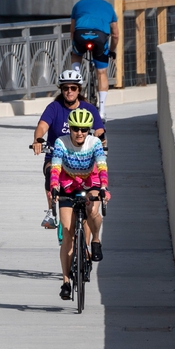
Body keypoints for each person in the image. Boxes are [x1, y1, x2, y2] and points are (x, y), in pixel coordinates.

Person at [48, 108, 109, 301]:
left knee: (92, 210)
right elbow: (56, 167)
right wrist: (54, 186)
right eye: (76, 128)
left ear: (89, 129)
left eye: (84, 128)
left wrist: (104, 187)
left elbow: (101, 166)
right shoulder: (61, 142)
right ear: (70, 129)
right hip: (67, 184)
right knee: (67, 232)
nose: (80, 132)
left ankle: (96, 240)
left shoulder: (95, 143)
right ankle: (66, 281)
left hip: (91, 182)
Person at [32, 70, 105, 229]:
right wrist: (38, 140)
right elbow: (42, 126)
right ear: (61, 89)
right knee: (51, 172)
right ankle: (52, 211)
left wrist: (101, 139)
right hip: (56, 155)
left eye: (73, 88)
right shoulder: (54, 108)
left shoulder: (89, 108)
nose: (69, 91)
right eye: (65, 88)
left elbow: (99, 130)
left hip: (82, 157)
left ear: (79, 90)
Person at [70, 0, 119, 117]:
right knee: (102, 72)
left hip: (81, 35)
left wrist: (75, 45)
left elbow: (73, 30)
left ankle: (76, 76)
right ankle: (102, 110)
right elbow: (115, 35)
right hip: (100, 37)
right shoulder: (108, 7)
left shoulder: (79, 4)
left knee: (75, 54)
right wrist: (112, 51)